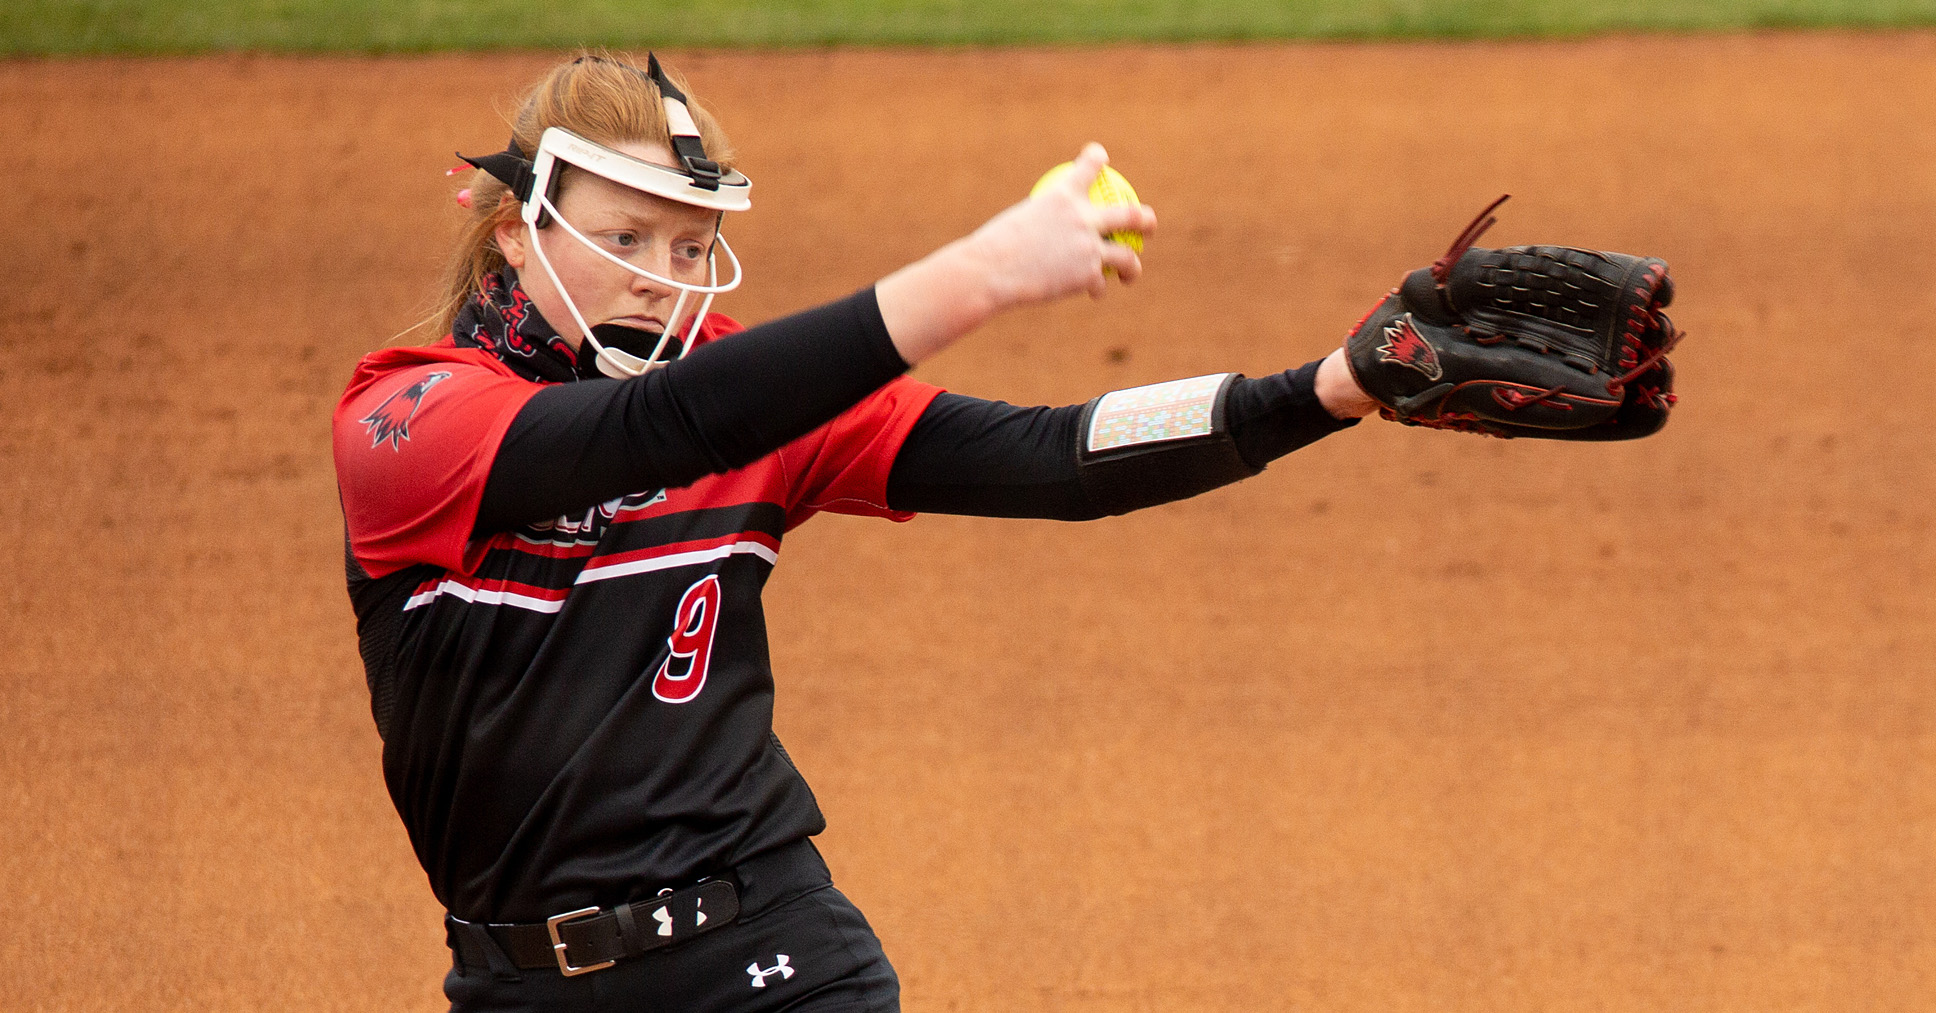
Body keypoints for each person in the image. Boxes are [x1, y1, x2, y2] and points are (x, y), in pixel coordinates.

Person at [333, 51, 1381, 1013]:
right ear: (517, 232)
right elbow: (657, 429)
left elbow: (1056, 455)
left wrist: (1323, 390)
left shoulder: (749, 401)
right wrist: (980, 272)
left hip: (772, 960)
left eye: (693, 243)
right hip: (519, 987)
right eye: (625, 237)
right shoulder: (409, 421)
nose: (664, 273)